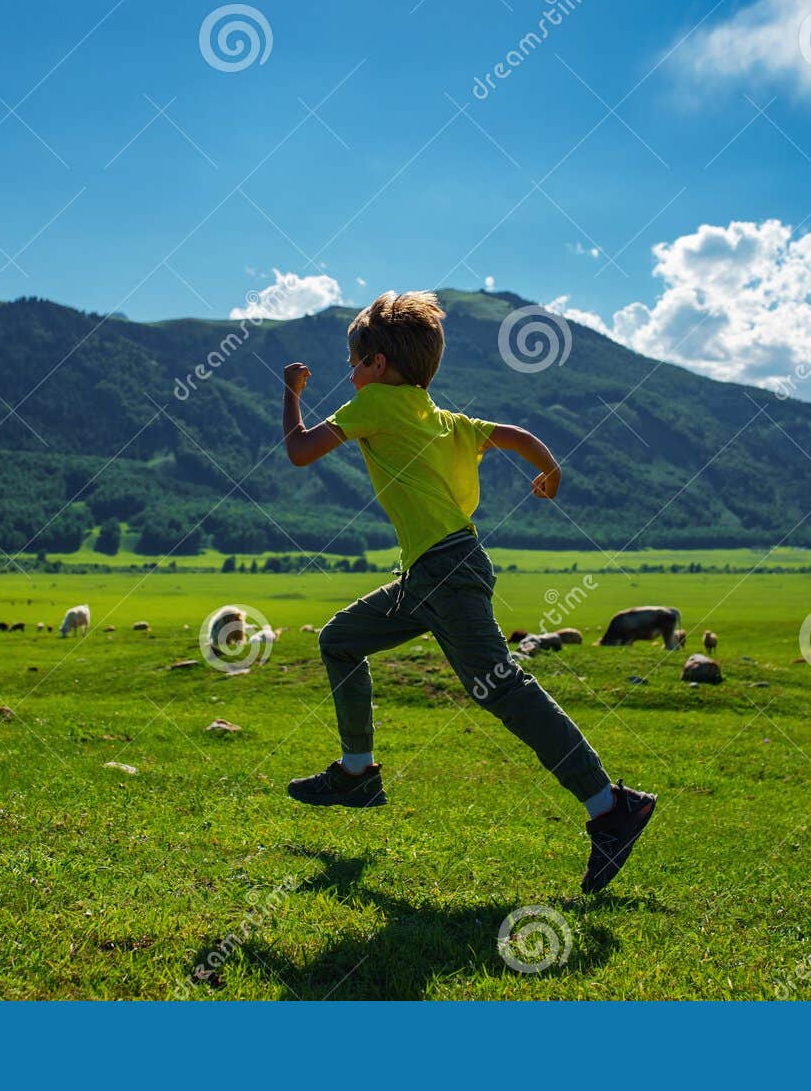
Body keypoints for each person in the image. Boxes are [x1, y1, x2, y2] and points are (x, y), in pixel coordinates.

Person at [280, 290, 655, 893]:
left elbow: (300, 452)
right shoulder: (444, 419)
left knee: (502, 689)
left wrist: (293, 393)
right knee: (342, 640)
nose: (349, 373)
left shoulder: (374, 403)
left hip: (444, 575)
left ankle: (612, 807)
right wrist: (550, 471)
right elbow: (514, 434)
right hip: (436, 573)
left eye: (353, 362)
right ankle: (357, 773)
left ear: (377, 365)